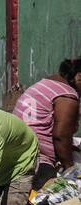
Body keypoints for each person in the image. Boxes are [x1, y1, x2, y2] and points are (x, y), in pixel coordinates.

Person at [13, 59, 79, 187]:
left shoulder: (47, 84)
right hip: (35, 157)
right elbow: (60, 136)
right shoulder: (67, 95)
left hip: (17, 148)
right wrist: (69, 168)